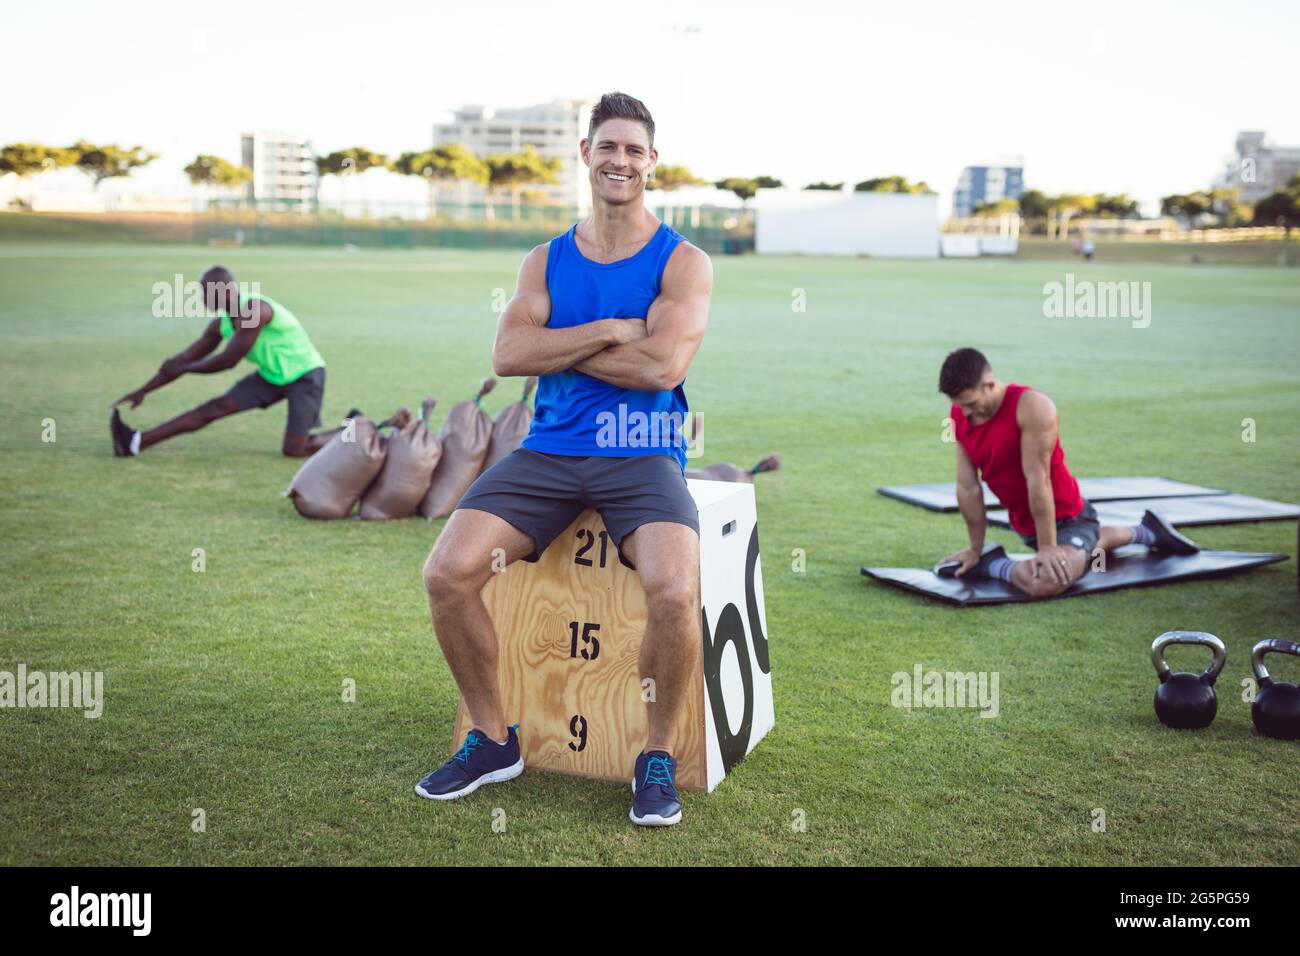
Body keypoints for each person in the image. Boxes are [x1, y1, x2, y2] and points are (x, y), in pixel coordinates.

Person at [415, 92, 712, 827]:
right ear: (585, 153)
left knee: (674, 589)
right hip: (549, 449)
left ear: (652, 161)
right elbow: (509, 353)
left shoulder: (684, 261)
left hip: (643, 452)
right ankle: (492, 739)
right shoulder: (545, 258)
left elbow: (662, 369)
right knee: (446, 573)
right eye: (607, 146)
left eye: (634, 150)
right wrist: (612, 327)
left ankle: (655, 757)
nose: (620, 160)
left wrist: (566, 345)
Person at [936, 348, 1198, 597]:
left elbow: (1038, 478)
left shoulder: (1031, 406)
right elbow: (968, 487)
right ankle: (1146, 531)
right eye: (960, 405)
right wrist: (974, 549)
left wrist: (1048, 547)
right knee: (1084, 548)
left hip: (1070, 519)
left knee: (1047, 582)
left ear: (990, 384)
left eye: (970, 403)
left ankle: (993, 565)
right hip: (1030, 528)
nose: (965, 411)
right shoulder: (961, 414)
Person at [110, 266, 403, 457]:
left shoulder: (254, 310)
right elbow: (183, 359)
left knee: (295, 449)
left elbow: (228, 360)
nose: (201, 298)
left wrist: (185, 368)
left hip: (304, 375)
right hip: (272, 377)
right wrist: (145, 390)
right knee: (214, 408)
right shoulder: (221, 324)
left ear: (225, 291)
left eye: (205, 293)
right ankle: (136, 442)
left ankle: (363, 428)